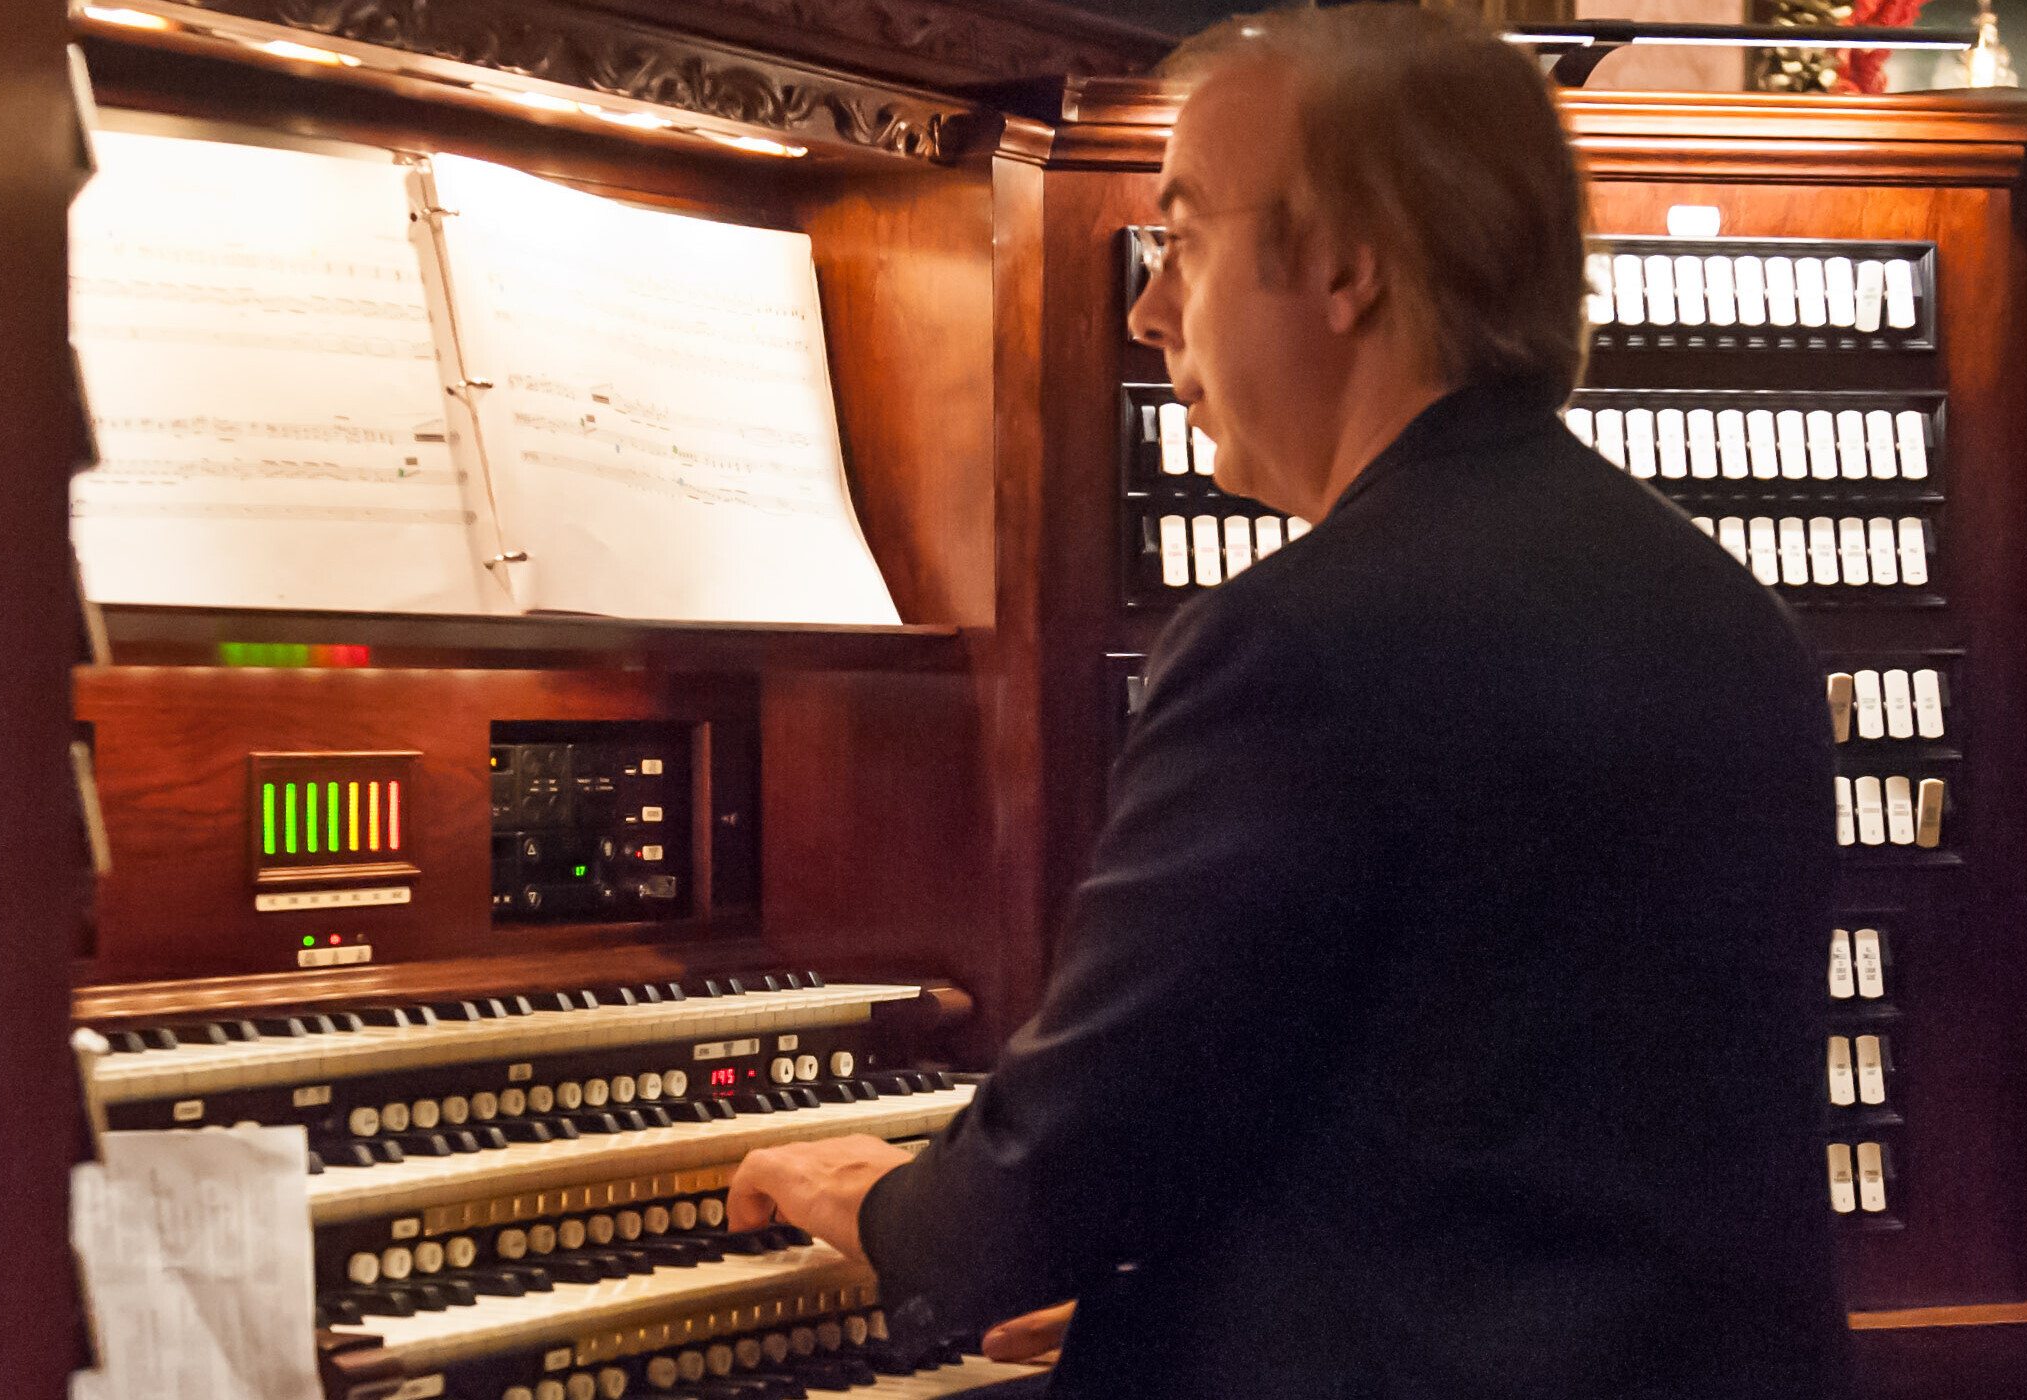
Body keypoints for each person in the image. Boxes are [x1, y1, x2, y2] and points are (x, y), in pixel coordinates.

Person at [724, 7, 1853, 1398]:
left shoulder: (1301, 639)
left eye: (1184, 237)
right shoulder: (1729, 616)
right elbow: (1499, 1132)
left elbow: (1073, 1163)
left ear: (1342, 266)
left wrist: (882, 1202)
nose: (1148, 311)